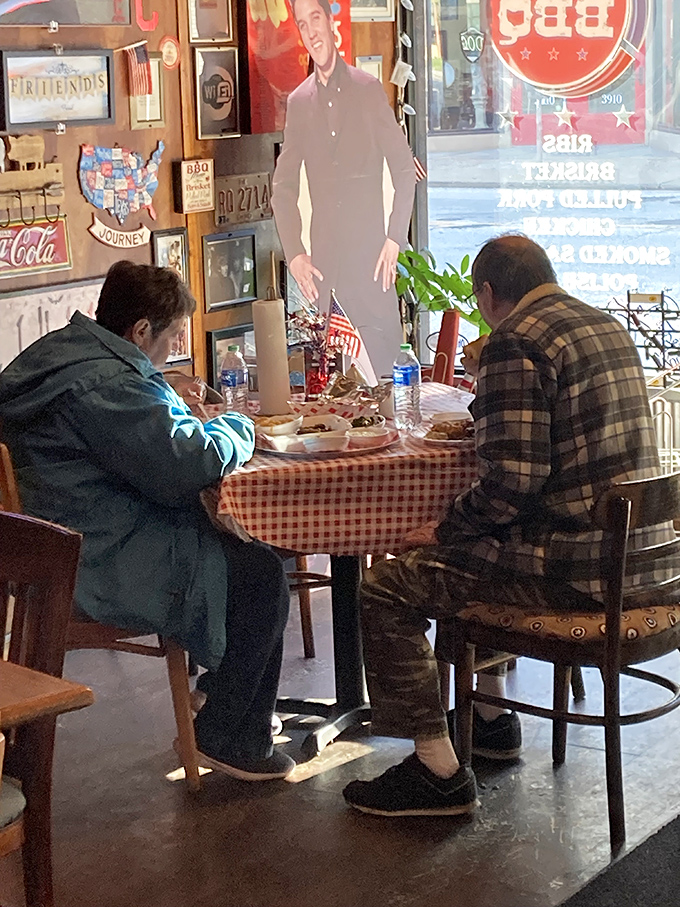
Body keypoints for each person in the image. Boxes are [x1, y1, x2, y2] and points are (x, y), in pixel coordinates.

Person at [342, 234, 675, 816]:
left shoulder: (515, 342)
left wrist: (442, 530)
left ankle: (436, 770)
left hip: (577, 572)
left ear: (490, 293)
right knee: (478, 553)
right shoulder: (604, 325)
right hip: (647, 563)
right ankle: (491, 720)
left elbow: (509, 485)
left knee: (389, 585)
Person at [0, 261, 294, 782]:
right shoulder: (106, 383)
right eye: (172, 336)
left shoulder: (61, 353)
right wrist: (237, 427)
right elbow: (183, 467)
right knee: (261, 574)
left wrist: (166, 399)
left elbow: (138, 437)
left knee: (238, 553)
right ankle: (230, 737)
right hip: (98, 557)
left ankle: (215, 693)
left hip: (49, 543)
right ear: (140, 331)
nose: (170, 349)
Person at [271, 0, 417, 378]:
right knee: (334, 376)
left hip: (372, 261)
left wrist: (394, 239)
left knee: (385, 372)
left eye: (315, 19)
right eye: (303, 25)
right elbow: (283, 186)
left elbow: (403, 167)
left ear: (331, 22)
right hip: (325, 268)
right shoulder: (299, 102)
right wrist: (296, 253)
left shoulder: (367, 90)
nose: (311, 31)